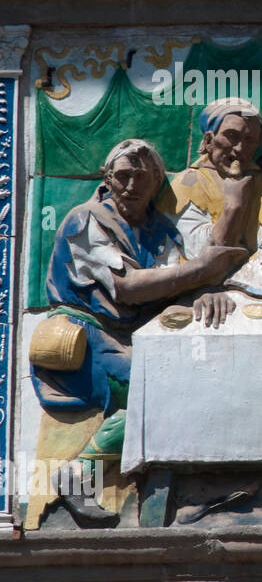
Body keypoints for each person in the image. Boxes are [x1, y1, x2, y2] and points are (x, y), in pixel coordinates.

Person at [28, 139, 246, 527]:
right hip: (87, 336)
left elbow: (174, 279)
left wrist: (205, 289)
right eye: (123, 176)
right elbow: (128, 286)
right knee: (160, 393)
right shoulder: (87, 220)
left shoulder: (159, 229)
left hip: (134, 339)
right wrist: (202, 272)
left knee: (202, 377)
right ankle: (78, 473)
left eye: (141, 177)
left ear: (157, 181)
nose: (131, 185)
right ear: (107, 177)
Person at [154, 97, 262, 327]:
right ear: (209, 140)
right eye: (232, 136)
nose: (240, 149)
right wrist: (234, 205)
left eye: (249, 140)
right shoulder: (187, 185)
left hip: (256, 295)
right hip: (201, 301)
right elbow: (203, 257)